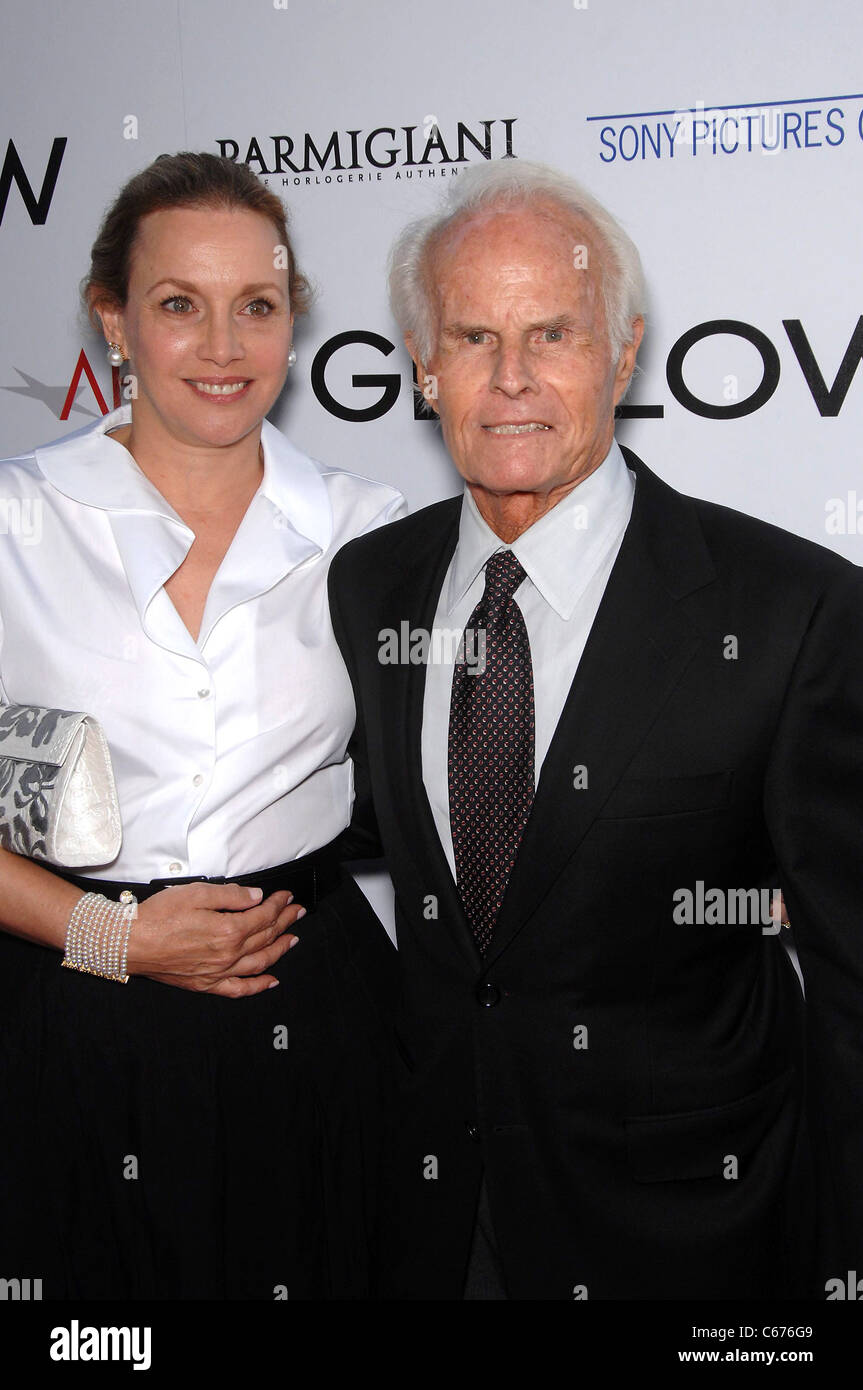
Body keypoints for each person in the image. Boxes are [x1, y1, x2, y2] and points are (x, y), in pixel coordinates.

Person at [328, 159, 863, 1299]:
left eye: (551, 336)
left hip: (688, 1235)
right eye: (470, 337)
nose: (509, 378)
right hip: (428, 1224)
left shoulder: (788, 609)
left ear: (620, 353)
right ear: (423, 368)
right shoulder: (369, 586)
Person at [0, 151, 405, 1299]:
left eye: (257, 308)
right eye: (180, 305)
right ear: (112, 319)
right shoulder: (15, 519)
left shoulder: (367, 532)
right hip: (66, 1001)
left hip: (309, 1006)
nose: (224, 348)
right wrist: (112, 937)